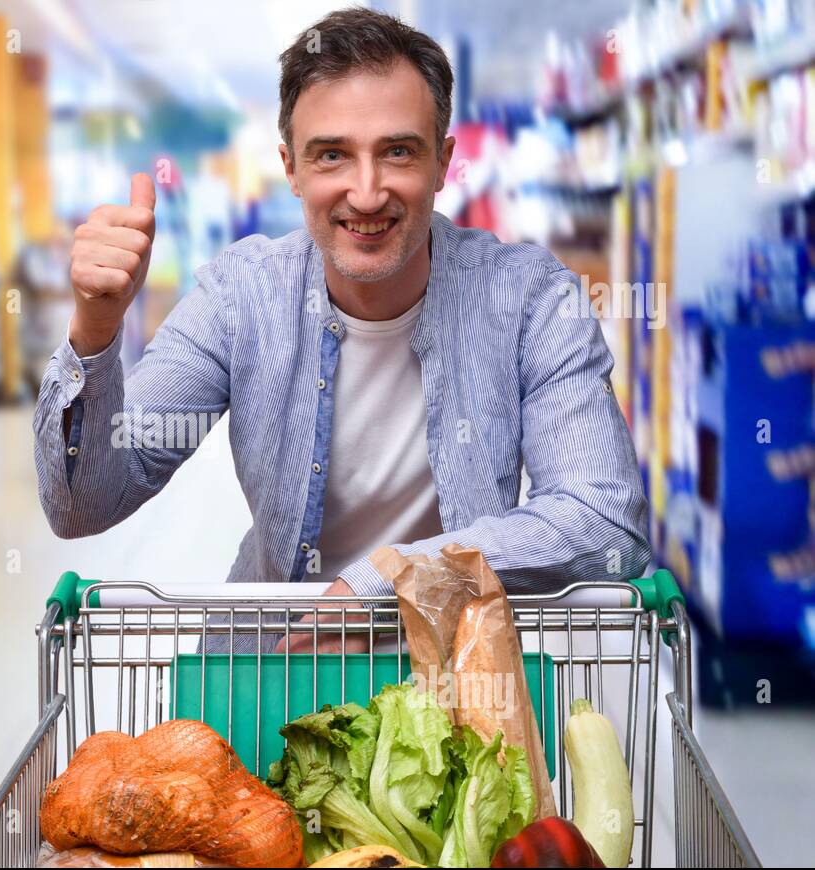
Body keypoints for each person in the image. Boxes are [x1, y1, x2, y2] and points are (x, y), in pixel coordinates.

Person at [32, 7, 649, 651]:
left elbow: (606, 524)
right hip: (277, 670)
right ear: (291, 168)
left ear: (441, 164)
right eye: (332, 155)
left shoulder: (530, 300)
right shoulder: (241, 296)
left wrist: (384, 582)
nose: (366, 192)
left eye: (398, 152)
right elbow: (84, 506)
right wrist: (95, 329)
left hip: (454, 680)